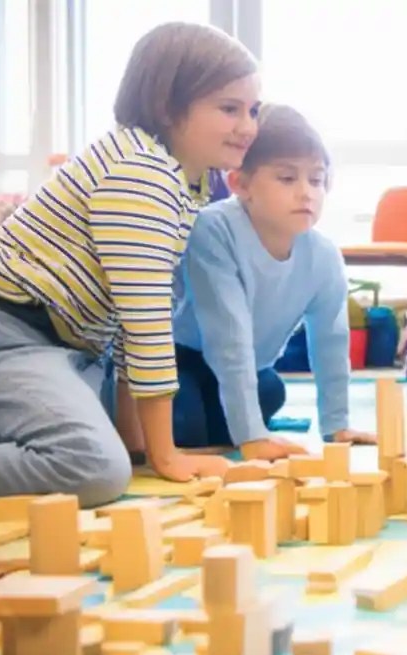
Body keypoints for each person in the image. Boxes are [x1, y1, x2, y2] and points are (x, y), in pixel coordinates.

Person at [0, 22, 259, 508]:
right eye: (229, 108)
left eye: (253, 110)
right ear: (168, 107)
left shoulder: (177, 178)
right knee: (91, 465)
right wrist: (166, 456)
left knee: (113, 448)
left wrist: (143, 447)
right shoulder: (141, 172)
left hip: (48, 340)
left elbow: (130, 325)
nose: (248, 127)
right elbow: (146, 320)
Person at [171, 104, 374, 461]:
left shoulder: (324, 257)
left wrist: (336, 425)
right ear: (241, 183)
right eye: (286, 178)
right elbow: (227, 337)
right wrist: (251, 436)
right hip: (183, 359)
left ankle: (234, 422)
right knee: (188, 428)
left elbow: (331, 341)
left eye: (316, 179)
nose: (306, 192)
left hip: (250, 369)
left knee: (270, 390)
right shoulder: (213, 229)